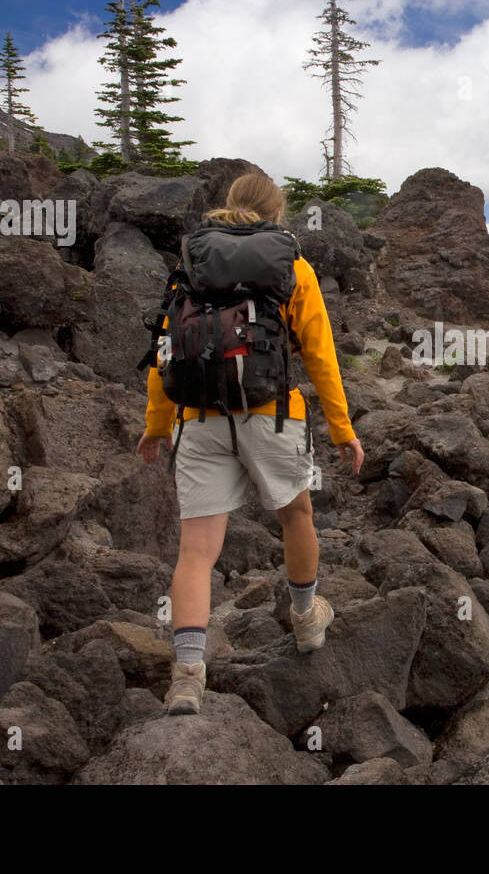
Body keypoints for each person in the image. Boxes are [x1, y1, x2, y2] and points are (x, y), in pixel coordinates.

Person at [136, 172, 364, 715]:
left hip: (199, 418)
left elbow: (166, 345)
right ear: (276, 213)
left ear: (229, 207)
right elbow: (321, 358)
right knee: (297, 516)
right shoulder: (293, 267)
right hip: (272, 416)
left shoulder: (190, 263)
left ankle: (188, 675)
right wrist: (343, 430)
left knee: (196, 552)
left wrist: (157, 422)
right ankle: (307, 619)